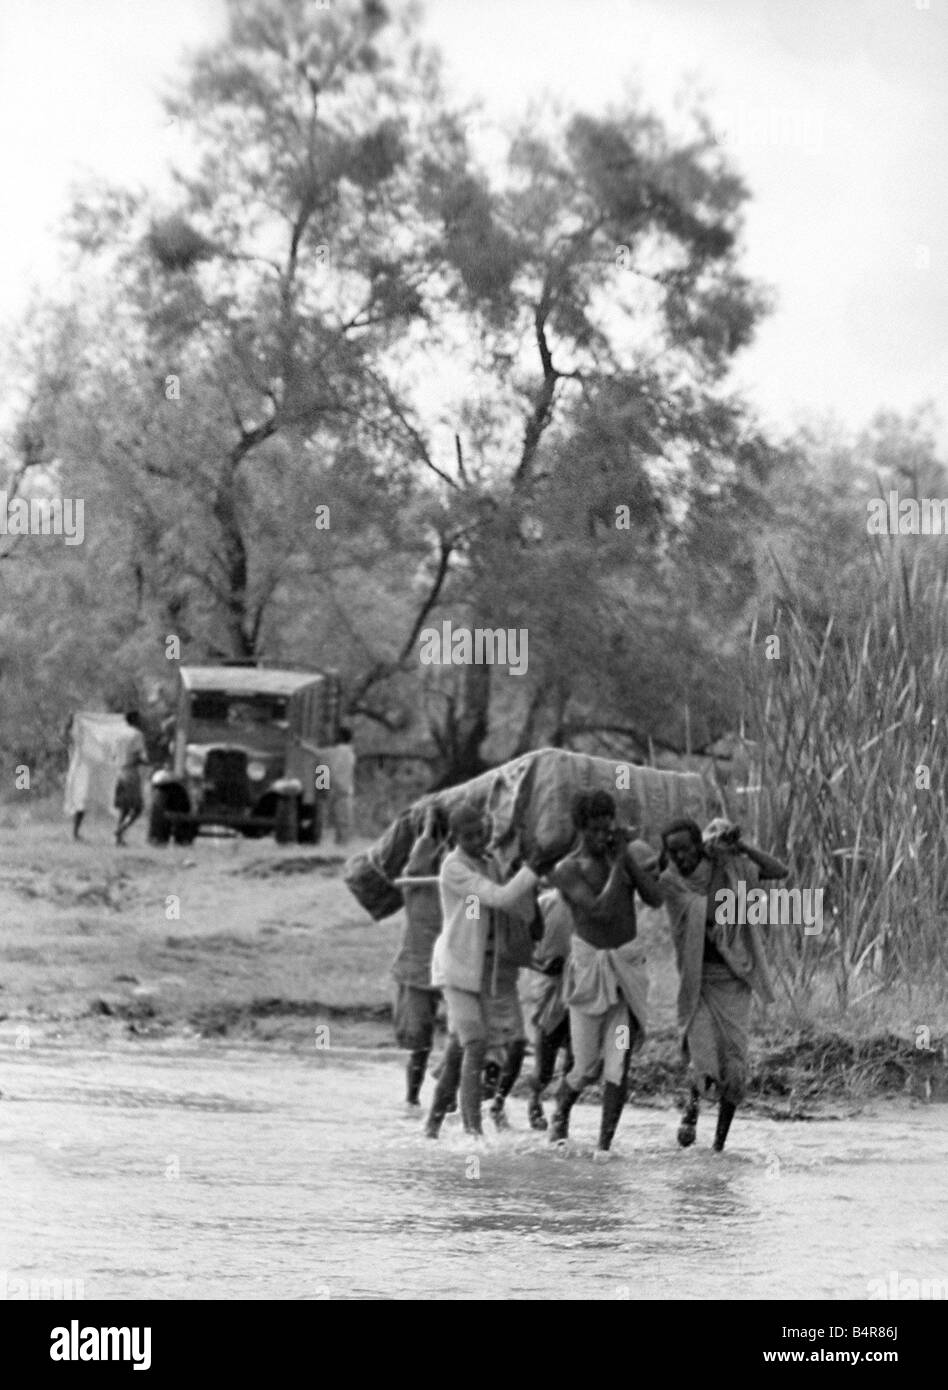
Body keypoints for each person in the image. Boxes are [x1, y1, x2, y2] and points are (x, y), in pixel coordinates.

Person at [658, 815, 788, 1153]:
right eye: (674, 853)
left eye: (687, 851)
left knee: (735, 1068)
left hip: (733, 980)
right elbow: (708, 910)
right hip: (697, 982)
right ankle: (693, 1105)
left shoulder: (732, 867)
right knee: (705, 1062)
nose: (681, 859)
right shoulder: (672, 882)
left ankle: (718, 1147)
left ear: (699, 847)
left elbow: (779, 872)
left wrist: (740, 848)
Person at [546, 790, 663, 1160]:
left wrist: (627, 860)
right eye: (595, 830)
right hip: (589, 973)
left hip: (625, 971)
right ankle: (560, 1116)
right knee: (585, 1066)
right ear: (581, 829)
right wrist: (618, 867)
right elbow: (598, 911)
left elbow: (655, 899)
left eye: (607, 827)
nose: (603, 836)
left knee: (618, 1061)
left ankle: (604, 1147)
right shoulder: (568, 869)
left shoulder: (623, 857)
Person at [425, 803, 541, 1139]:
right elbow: (501, 897)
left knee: (459, 1049)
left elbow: (515, 904)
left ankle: (432, 1125)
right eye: (469, 836)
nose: (478, 840)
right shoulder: (454, 868)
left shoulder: (490, 862)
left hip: (485, 970)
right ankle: (473, 1133)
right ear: (455, 837)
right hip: (456, 968)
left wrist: (526, 868)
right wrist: (533, 867)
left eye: (481, 832)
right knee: (476, 1043)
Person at [391, 806, 448, 1110]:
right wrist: (428, 831)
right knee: (419, 1041)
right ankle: (412, 1099)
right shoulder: (416, 882)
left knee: (464, 1034)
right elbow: (418, 861)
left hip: (451, 964)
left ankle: (445, 1084)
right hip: (418, 964)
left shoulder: (456, 876)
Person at [523, 887, 574, 1132]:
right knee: (544, 1066)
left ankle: (561, 1115)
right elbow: (522, 944)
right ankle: (534, 1098)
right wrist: (542, 965)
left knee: (576, 1061)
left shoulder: (591, 902)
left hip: (581, 989)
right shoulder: (545, 903)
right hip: (549, 989)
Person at [114, 711, 148, 847]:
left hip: (119, 771)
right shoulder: (137, 734)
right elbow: (139, 756)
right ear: (134, 719)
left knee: (124, 807)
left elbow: (114, 754)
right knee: (138, 808)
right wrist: (148, 762)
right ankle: (119, 830)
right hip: (131, 772)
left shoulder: (119, 734)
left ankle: (119, 839)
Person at [325, 727, 356, 846]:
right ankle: (341, 842)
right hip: (344, 789)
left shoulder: (338, 751)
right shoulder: (349, 752)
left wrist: (302, 744)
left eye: (337, 735)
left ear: (341, 737)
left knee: (340, 817)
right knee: (342, 817)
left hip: (338, 788)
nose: (334, 737)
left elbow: (319, 753)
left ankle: (342, 842)